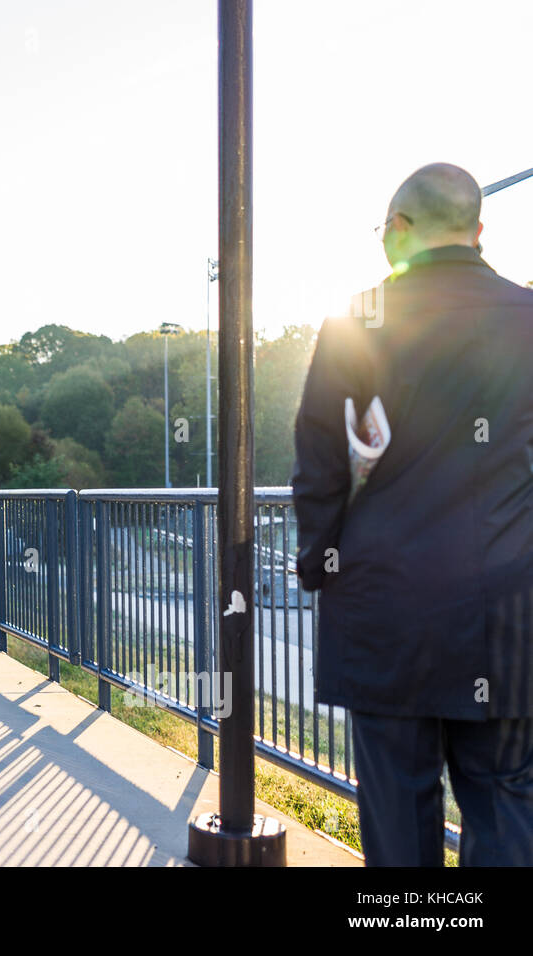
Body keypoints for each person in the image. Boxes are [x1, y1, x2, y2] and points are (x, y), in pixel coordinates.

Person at [292, 163, 533, 866]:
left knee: (397, 805)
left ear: (398, 230)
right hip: (509, 611)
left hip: (386, 602)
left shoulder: (359, 319)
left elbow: (318, 463)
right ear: (478, 231)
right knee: (507, 798)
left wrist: (320, 563)